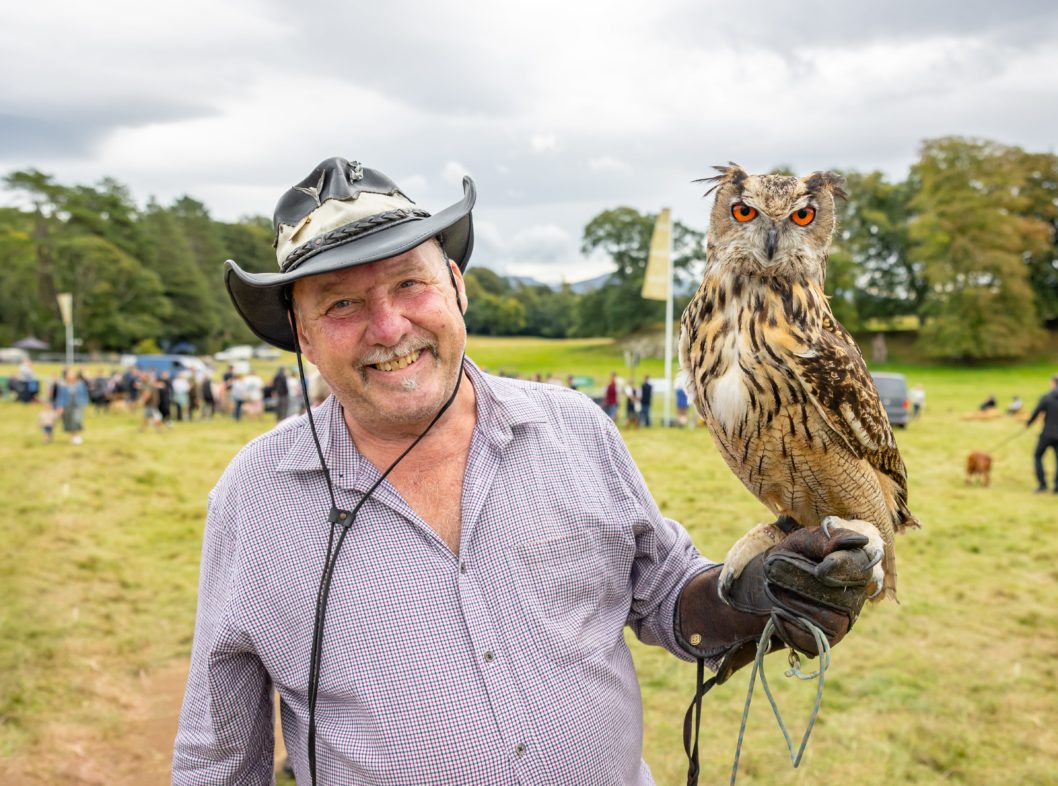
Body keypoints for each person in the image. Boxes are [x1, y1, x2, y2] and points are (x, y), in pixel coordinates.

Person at [172, 157, 875, 785]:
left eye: (409, 285)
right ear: (301, 334)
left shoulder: (573, 430)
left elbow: (662, 594)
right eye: (341, 304)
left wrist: (747, 596)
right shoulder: (255, 497)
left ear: (455, 287)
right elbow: (216, 758)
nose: (388, 329)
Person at [1025, 373, 1058, 494]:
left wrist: (1028, 423)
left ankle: (1042, 484)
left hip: (1047, 434)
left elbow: (1037, 411)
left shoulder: (1047, 398)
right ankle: (1057, 487)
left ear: (1053, 383)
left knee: (1038, 456)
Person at [53, 368, 89, 445]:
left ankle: (77, 435)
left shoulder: (80, 384)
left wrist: (85, 403)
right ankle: (73, 436)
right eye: (69, 377)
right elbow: (60, 396)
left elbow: (84, 394)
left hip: (78, 405)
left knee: (76, 419)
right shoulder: (63, 385)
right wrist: (59, 406)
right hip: (67, 405)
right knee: (69, 421)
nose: (71, 378)